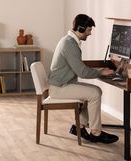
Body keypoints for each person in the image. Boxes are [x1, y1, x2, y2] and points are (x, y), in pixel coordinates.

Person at [48, 14, 119, 144]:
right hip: (59, 88)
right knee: (95, 93)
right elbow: (82, 72)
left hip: (63, 84)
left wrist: (100, 71)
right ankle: (96, 133)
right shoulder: (70, 45)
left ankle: (79, 127)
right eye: (89, 30)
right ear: (81, 29)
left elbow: (80, 67)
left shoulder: (69, 41)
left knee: (94, 91)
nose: (90, 33)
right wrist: (101, 72)